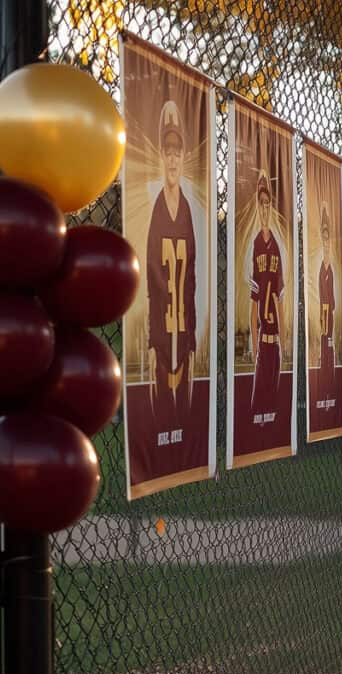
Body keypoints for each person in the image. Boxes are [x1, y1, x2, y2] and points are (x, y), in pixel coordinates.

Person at [146, 99, 198, 429]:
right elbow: (152, 280)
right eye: (168, 151)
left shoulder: (188, 212)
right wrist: (153, 340)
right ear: (161, 158)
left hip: (184, 333)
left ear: (184, 157)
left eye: (178, 151)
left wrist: (191, 339)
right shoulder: (157, 210)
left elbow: (191, 279)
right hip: (163, 335)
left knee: (186, 420)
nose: (174, 157)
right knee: (161, 420)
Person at [247, 171, 287, 416]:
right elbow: (254, 306)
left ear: (271, 207)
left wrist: (284, 342)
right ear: (256, 207)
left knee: (273, 405)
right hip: (262, 342)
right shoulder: (254, 246)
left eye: (268, 203)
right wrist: (254, 346)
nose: (264, 209)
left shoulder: (277, 247)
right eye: (260, 204)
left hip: (275, 344)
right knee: (257, 408)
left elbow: (280, 303)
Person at [317, 203, 336, 408]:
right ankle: (324, 388)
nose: (326, 242)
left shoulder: (331, 268)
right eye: (324, 238)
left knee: (330, 349)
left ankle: (330, 387)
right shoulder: (320, 267)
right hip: (323, 317)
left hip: (329, 316)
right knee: (324, 349)